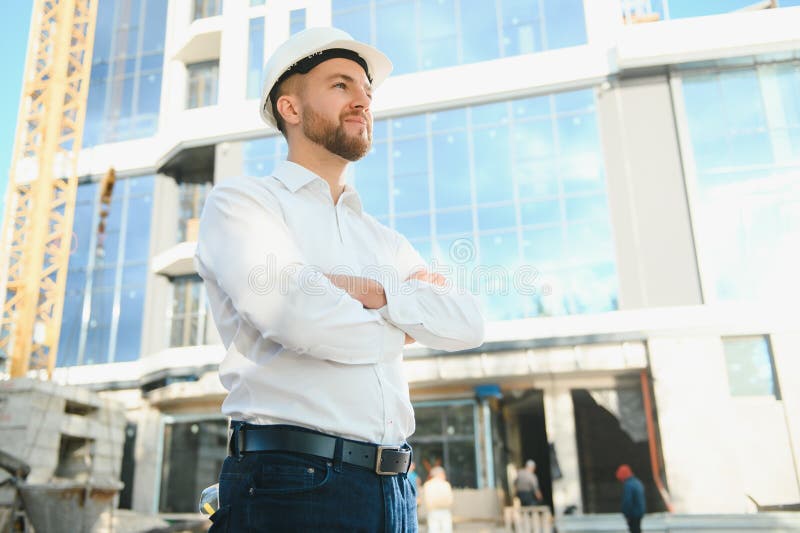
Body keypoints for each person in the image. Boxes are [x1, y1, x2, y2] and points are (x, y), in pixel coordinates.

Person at [195, 27, 485, 532]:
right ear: (290, 108)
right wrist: (406, 322)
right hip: (293, 484)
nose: (363, 101)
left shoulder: (383, 240)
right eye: (340, 85)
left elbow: (468, 322)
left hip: (396, 491)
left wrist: (370, 291)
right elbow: (300, 316)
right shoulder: (242, 204)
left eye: (367, 91)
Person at [422, 466, 454, 533]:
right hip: (445, 510)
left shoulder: (427, 484)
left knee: (433, 529)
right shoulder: (446, 484)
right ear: (440, 474)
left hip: (432, 511)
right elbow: (450, 499)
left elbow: (427, 499)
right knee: (446, 529)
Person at [616, 464, 646, 533]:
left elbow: (627, 501)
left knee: (634, 530)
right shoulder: (637, 482)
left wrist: (626, 513)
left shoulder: (629, 485)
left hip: (633, 514)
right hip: (639, 512)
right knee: (637, 529)